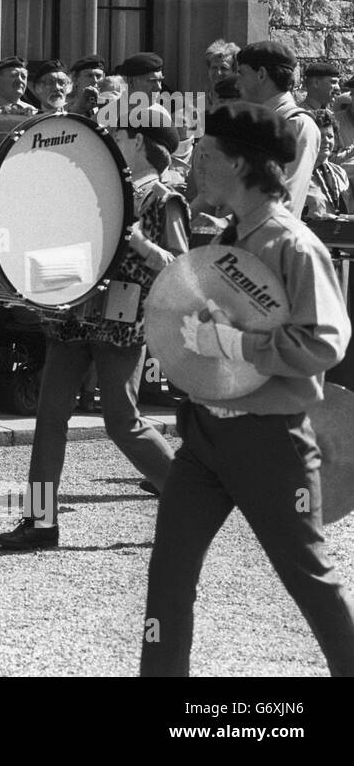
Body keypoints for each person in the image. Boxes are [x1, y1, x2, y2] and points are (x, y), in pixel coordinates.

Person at [141, 101, 354, 677]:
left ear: (238, 163)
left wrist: (239, 347)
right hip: (206, 436)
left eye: (206, 155)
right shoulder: (231, 235)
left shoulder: (292, 244)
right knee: (169, 573)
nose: (195, 165)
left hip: (272, 442)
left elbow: (325, 343)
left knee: (308, 578)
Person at [0, 114, 187, 549]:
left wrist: (137, 240)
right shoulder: (100, 187)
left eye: (117, 133)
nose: (108, 140)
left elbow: (179, 266)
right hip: (72, 315)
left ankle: (191, 501)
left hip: (122, 320)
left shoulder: (164, 199)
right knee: (49, 419)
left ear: (137, 141)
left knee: (123, 421)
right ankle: (41, 523)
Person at [235, 40, 320, 218]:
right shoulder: (254, 123)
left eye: (241, 73)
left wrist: (227, 225)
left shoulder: (297, 124)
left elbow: (285, 199)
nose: (236, 84)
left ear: (261, 74)